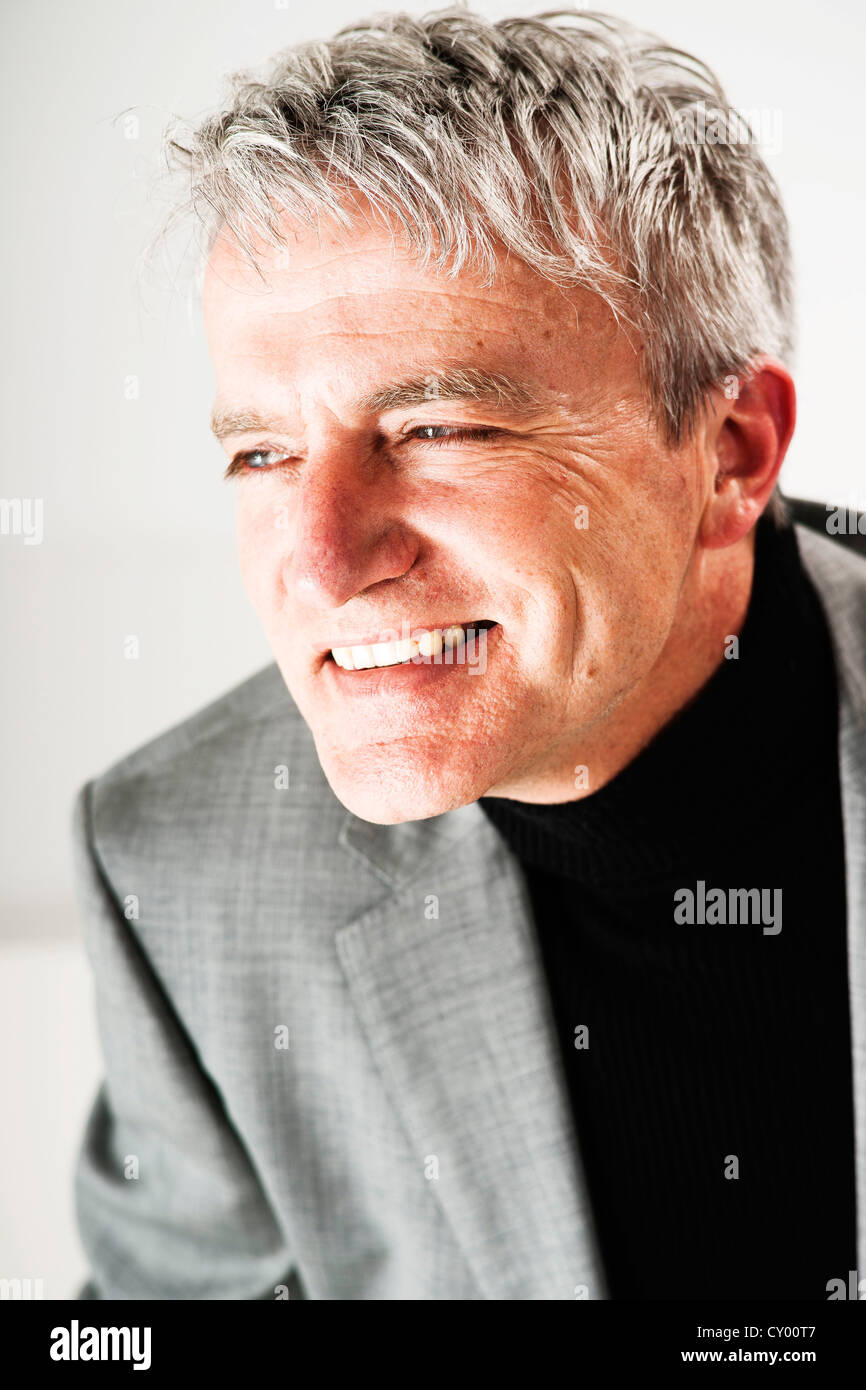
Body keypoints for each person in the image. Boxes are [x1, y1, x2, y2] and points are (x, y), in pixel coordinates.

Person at [72, 6, 866, 1299]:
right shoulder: (180, 856)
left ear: (729, 451)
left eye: (438, 427)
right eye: (261, 451)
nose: (321, 562)